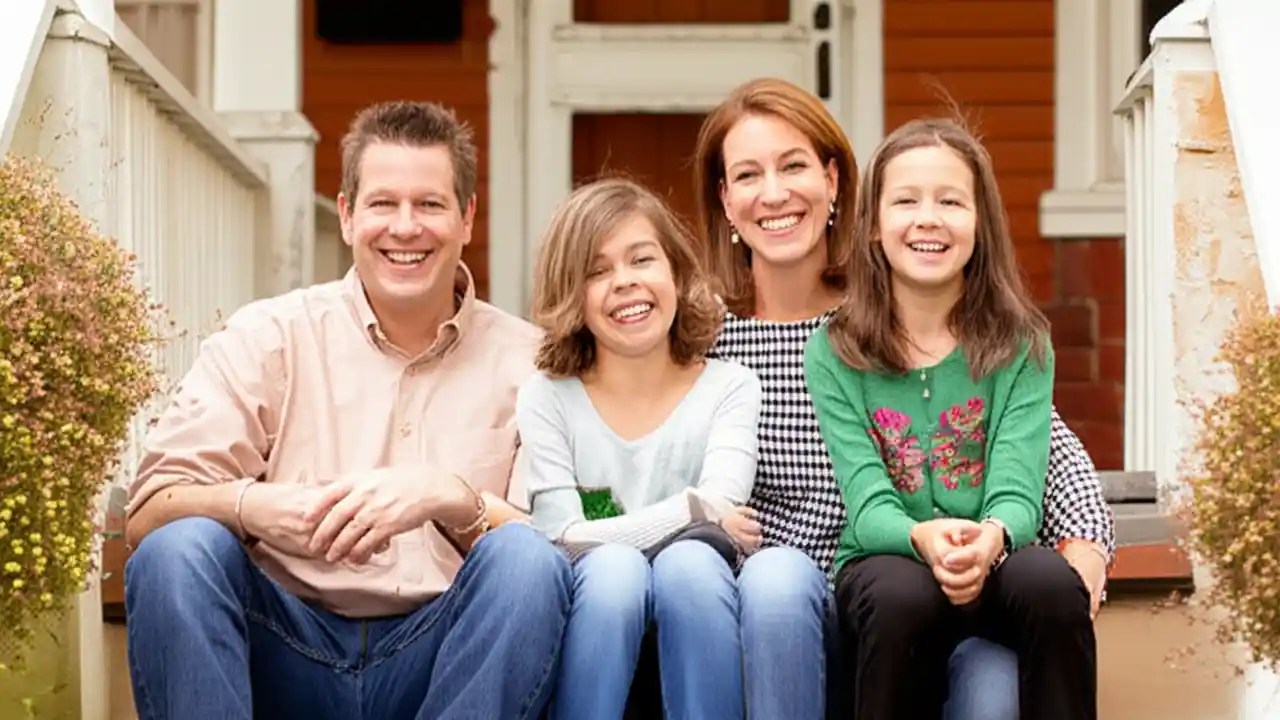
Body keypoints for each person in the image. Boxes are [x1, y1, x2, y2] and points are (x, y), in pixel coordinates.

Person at [122, 100, 572, 720]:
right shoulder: (269, 336)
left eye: (431, 204)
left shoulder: (532, 362)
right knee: (179, 551)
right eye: (384, 203)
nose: (406, 227)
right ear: (346, 215)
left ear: (467, 217)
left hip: (441, 655)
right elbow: (150, 511)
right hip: (283, 641)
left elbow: (557, 548)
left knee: (527, 560)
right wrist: (253, 508)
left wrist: (446, 496)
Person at [693, 77, 1114, 719]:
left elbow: (1044, 457)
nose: (774, 193)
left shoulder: (916, 314)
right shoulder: (702, 344)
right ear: (725, 199)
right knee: (803, 591)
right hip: (799, 618)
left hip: (948, 590)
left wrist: (1084, 544)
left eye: (795, 166)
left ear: (836, 182)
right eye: (749, 175)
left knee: (992, 684)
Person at [804, 116, 1096, 719]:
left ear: (980, 225)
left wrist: (991, 538)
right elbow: (867, 499)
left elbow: (1017, 487)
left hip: (995, 560)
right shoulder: (836, 350)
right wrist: (920, 536)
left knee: (1048, 581)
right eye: (905, 201)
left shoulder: (1022, 345)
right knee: (898, 593)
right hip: (887, 563)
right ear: (875, 229)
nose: (928, 219)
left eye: (951, 201)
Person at [518, 177, 763, 720]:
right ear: (571, 296)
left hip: (702, 622)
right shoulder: (546, 398)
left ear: (675, 272)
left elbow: (724, 496)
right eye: (597, 272)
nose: (624, 283)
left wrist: (702, 514)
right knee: (614, 573)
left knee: (691, 563)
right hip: (594, 625)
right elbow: (559, 539)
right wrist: (693, 509)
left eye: (641, 260)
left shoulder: (731, 386)